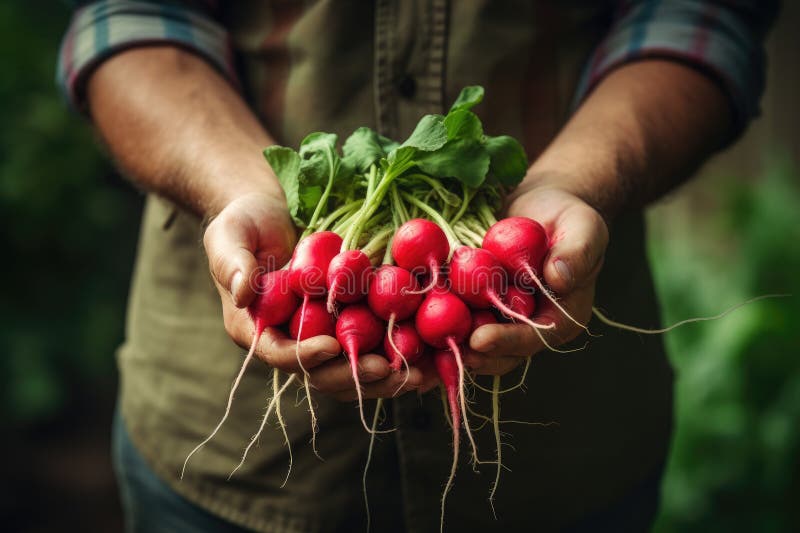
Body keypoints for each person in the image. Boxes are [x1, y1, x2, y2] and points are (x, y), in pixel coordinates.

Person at [58, 1, 776, 531]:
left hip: (564, 467)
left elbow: (700, 17)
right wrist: (239, 191)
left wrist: (579, 186)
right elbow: (128, 20)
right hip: (221, 459)